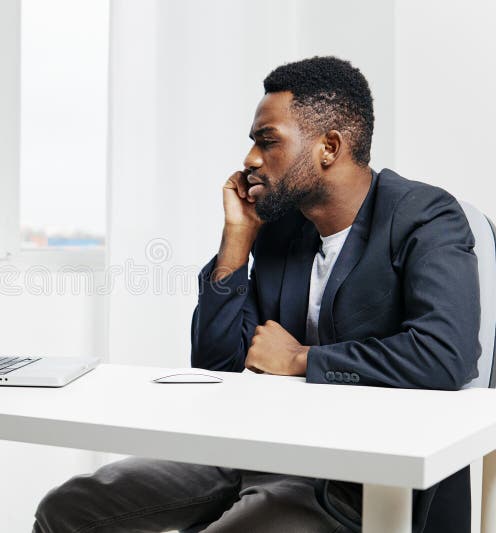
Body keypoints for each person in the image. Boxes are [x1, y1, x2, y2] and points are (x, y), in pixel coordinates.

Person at [32, 56, 480, 533]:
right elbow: (216, 365)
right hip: (253, 448)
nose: (250, 159)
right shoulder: (284, 228)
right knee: (67, 508)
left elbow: (445, 356)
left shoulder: (426, 216)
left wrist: (303, 358)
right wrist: (236, 242)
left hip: (355, 477)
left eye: (267, 141)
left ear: (329, 147)